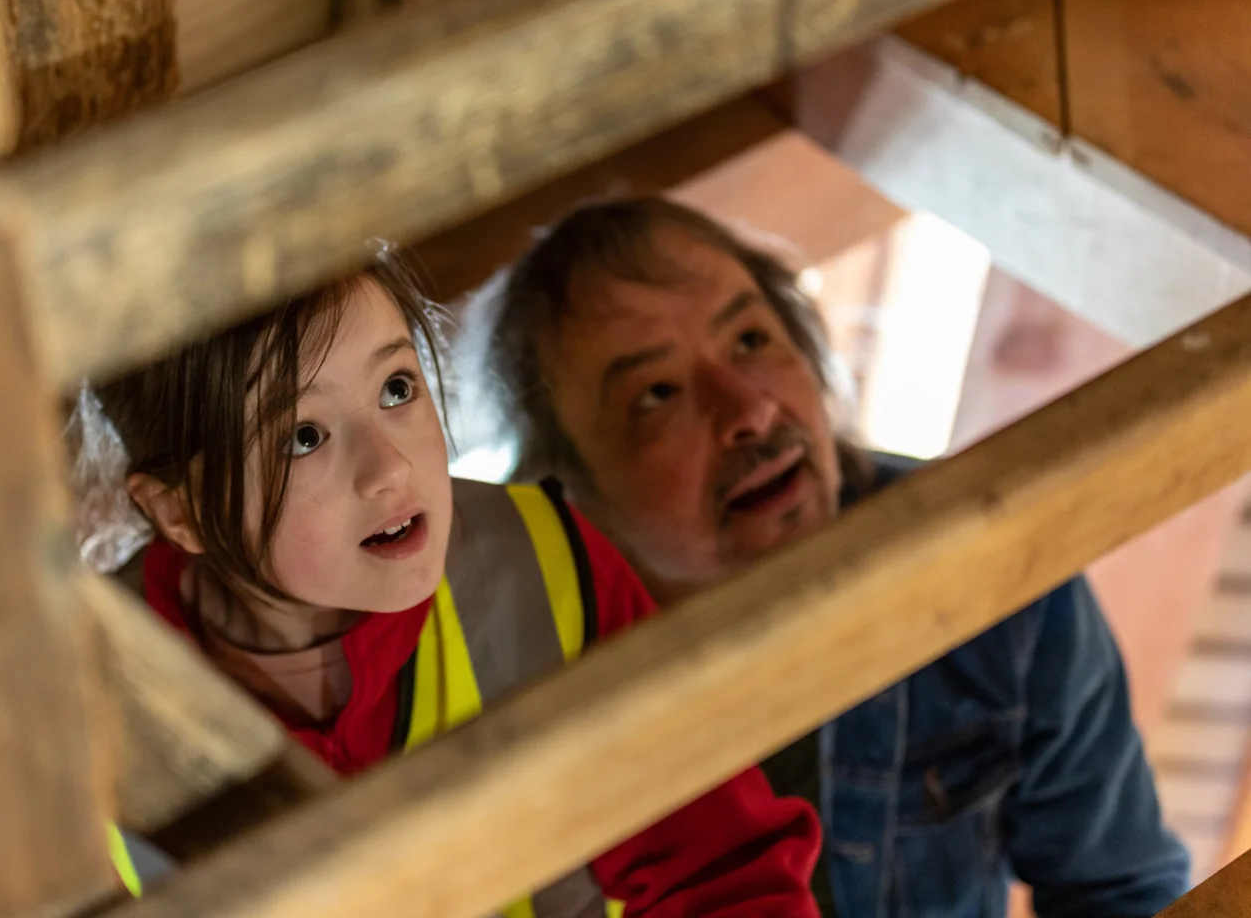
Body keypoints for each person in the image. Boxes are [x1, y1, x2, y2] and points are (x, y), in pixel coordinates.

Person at [480, 196, 1190, 918]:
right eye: (656, 394)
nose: (749, 411)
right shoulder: (514, 676)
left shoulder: (990, 571)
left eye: (752, 340)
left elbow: (1122, 892)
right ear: (569, 489)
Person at [90, 251, 823, 917]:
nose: (390, 468)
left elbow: (723, 869)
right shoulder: (90, 698)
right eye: (303, 438)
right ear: (179, 511)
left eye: (397, 388)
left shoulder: (547, 565)